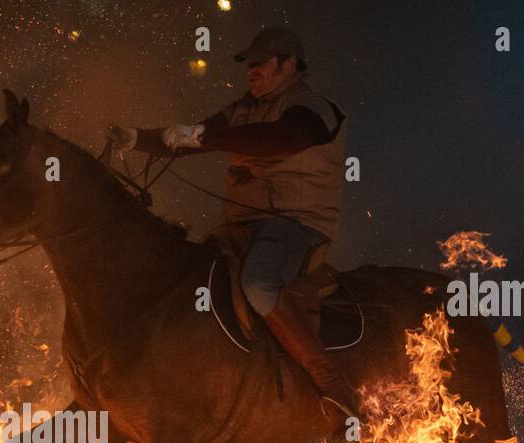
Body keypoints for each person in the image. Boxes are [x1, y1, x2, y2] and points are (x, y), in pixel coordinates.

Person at [109, 26, 356, 422]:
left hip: (296, 226)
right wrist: (137, 138)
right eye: (249, 65)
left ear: (289, 64)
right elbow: (196, 138)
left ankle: (331, 383)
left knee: (258, 282)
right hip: (240, 227)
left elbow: (279, 139)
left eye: (260, 63)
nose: (251, 71)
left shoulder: (315, 110)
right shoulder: (242, 110)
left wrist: (206, 136)